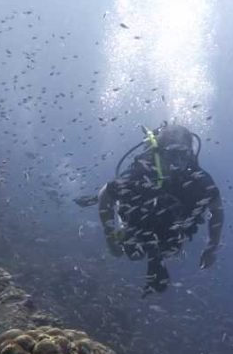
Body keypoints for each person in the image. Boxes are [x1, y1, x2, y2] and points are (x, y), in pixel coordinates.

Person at [93, 122, 224, 295]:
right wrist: (111, 237)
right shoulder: (142, 172)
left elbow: (217, 209)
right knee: (134, 253)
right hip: (138, 221)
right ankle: (127, 229)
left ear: (190, 155)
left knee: (172, 249)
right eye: (172, 154)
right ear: (159, 152)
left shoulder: (199, 180)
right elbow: (105, 194)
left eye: (183, 155)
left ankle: (157, 256)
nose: (177, 163)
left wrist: (212, 247)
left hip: (172, 229)